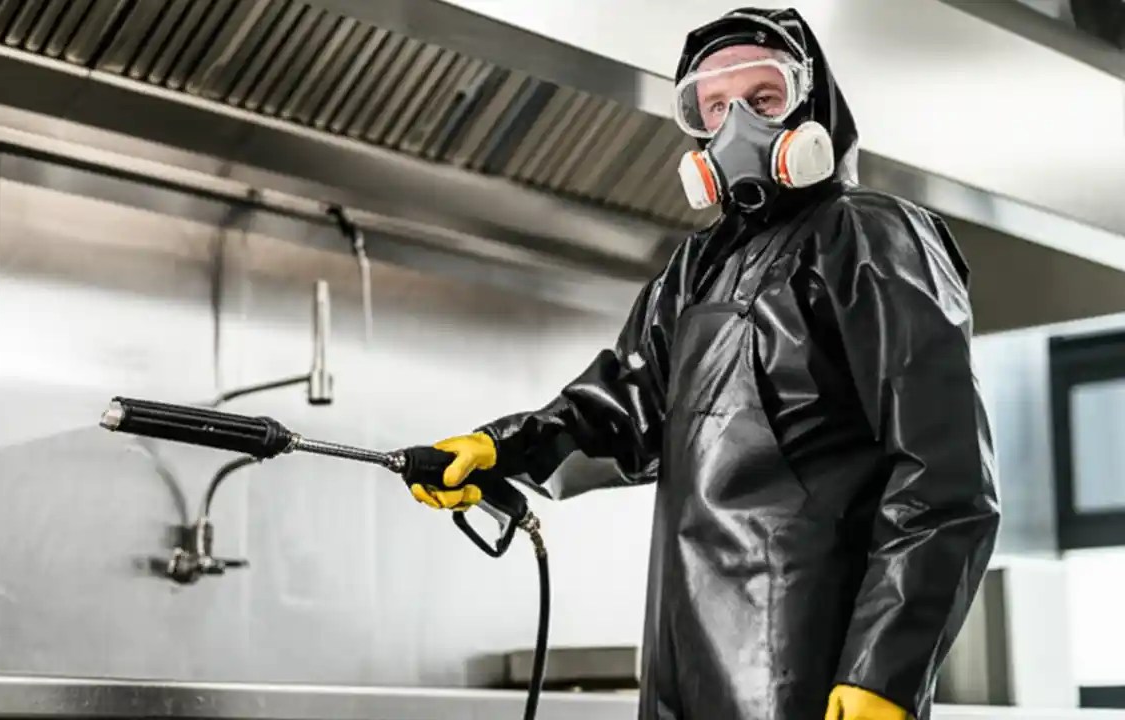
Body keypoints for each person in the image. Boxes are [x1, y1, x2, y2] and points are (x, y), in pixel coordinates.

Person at [410, 7, 1000, 720]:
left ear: (814, 109)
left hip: (815, 673)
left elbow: (945, 478)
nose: (737, 127)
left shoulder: (874, 238)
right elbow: (623, 409)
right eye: (713, 107)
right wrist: (502, 447)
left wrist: (886, 668)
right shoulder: (699, 266)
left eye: (764, 100)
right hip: (681, 666)